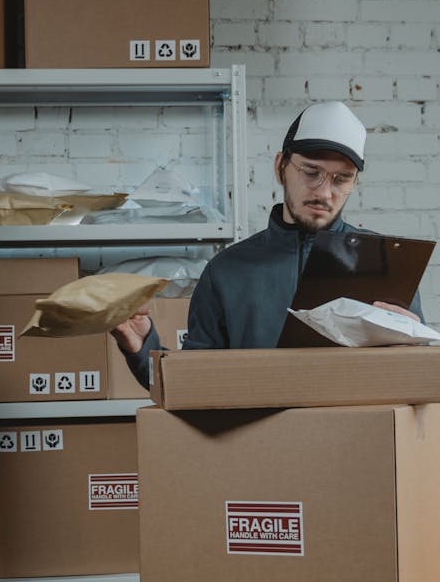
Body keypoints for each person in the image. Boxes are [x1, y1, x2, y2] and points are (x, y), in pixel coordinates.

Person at [113, 101, 424, 384]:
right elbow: (195, 386)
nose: (324, 192)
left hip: (353, 444)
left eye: (341, 178)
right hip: (260, 445)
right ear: (280, 167)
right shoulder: (227, 271)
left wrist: (413, 347)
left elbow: (415, 384)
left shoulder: (386, 265)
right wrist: (143, 347)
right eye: (311, 172)